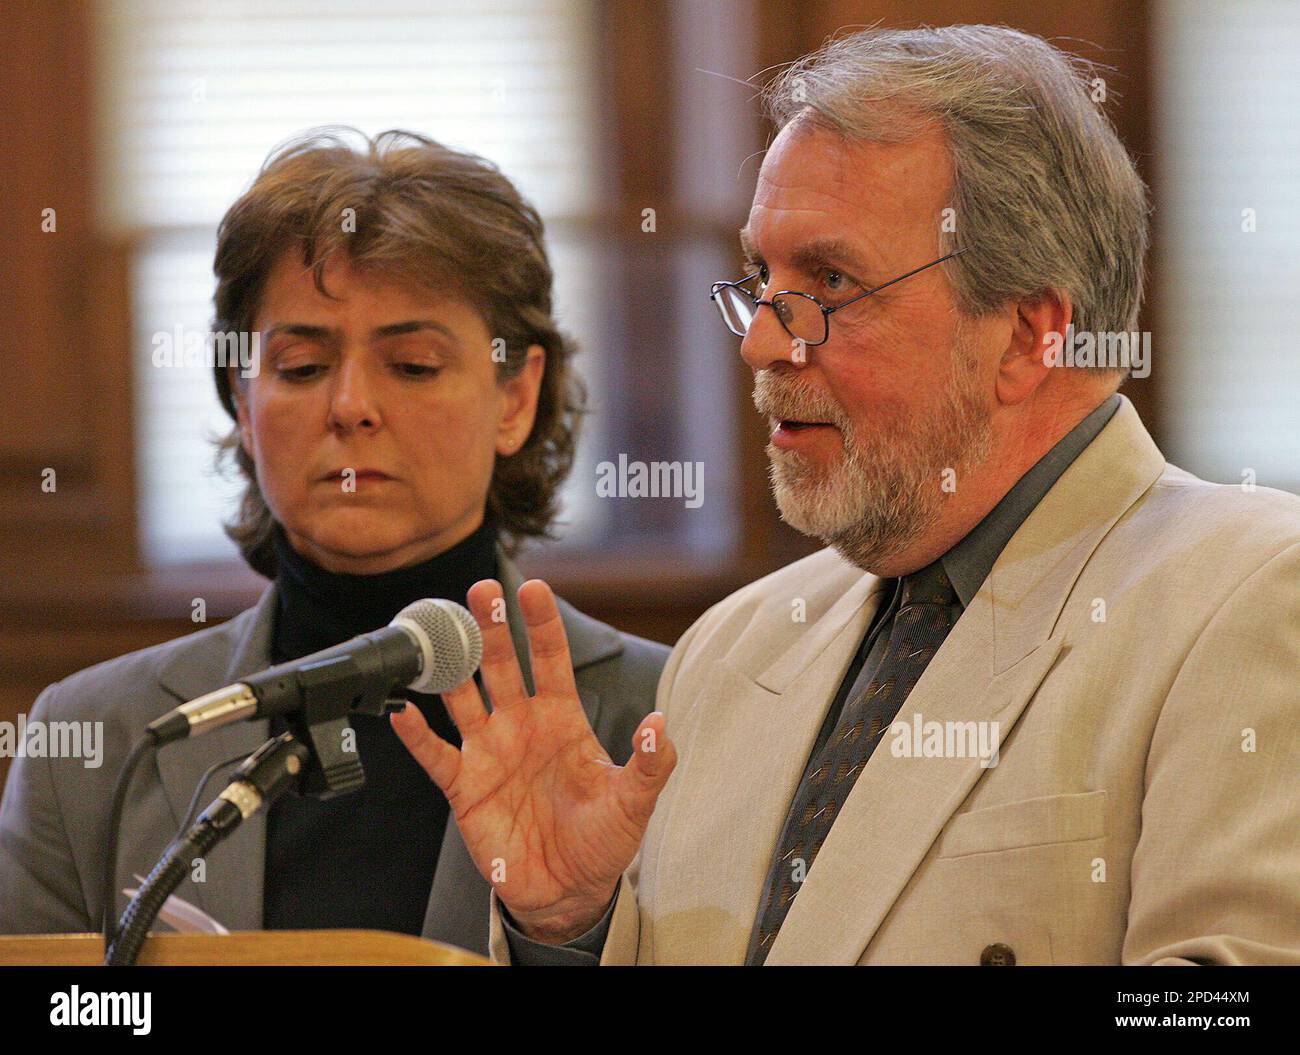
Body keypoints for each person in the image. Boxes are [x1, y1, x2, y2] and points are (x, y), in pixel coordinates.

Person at [392, 26, 1300, 965]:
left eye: (830, 281)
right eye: (760, 281)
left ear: (1032, 335)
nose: (762, 345)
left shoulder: (1254, 590)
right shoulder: (731, 650)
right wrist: (569, 926)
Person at [0, 129, 668, 957]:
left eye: (414, 365)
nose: (351, 405)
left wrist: (563, 929)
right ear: (242, 403)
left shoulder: (670, 713)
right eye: (303, 367)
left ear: (515, 398)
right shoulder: (98, 738)